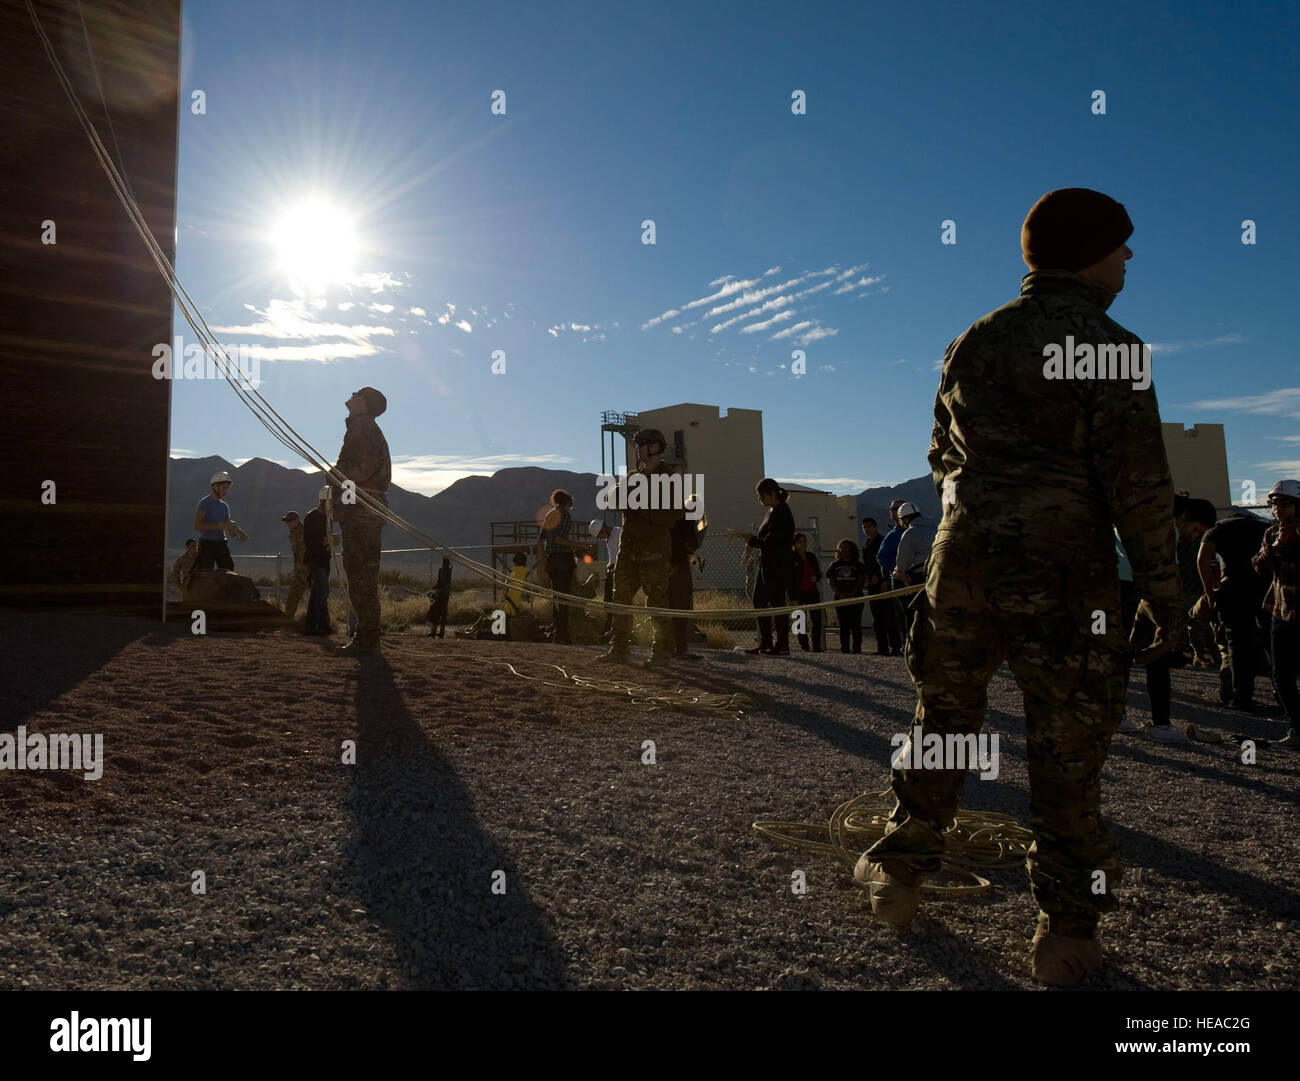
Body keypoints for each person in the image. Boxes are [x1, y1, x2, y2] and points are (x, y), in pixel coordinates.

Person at [856, 188, 1184, 988]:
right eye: (1122, 246)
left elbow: (942, 456)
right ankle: (1065, 932)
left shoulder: (974, 341)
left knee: (947, 720)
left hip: (961, 563)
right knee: (1067, 750)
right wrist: (1169, 597)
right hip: (1066, 575)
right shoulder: (1110, 348)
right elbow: (1137, 485)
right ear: (1086, 252)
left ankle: (900, 867)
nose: (1131, 259)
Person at [1127, 498, 1215, 742]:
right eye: (1196, 529)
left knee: (1129, 647)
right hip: (1141, 589)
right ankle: (1161, 725)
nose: (1194, 536)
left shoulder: (1149, 516)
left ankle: (1118, 715)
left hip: (1130, 585)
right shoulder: (1167, 529)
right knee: (1160, 652)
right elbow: (1165, 572)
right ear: (1185, 516)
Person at [600, 429, 683, 665]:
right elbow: (611, 498)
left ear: (654, 447)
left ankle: (661, 653)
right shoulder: (634, 476)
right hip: (629, 550)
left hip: (654, 551)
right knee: (620, 598)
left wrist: (636, 504)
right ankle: (619, 650)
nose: (637, 449)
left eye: (641, 444)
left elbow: (670, 516)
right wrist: (619, 496)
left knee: (656, 601)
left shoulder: (669, 478)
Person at [331, 387, 391, 657]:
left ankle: (366, 640)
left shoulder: (362, 427)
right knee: (364, 575)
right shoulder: (364, 427)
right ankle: (368, 637)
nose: (351, 395)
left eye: (356, 393)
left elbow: (363, 468)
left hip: (360, 511)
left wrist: (335, 475)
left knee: (360, 575)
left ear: (363, 402)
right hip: (365, 509)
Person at [1199, 504, 1270, 710]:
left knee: (1238, 644)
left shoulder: (1218, 529)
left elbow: (1203, 558)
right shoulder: (1263, 527)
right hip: (1263, 587)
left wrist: (1209, 592)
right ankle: (1283, 693)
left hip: (1233, 589)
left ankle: (1242, 696)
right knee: (1270, 641)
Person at [1252, 479, 1300, 748]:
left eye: (1285, 503)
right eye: (1274, 503)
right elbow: (1259, 566)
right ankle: (1297, 728)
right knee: (1281, 674)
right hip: (1281, 611)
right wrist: (1276, 547)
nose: (1277, 508)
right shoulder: (1271, 534)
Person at [737, 479, 796, 655]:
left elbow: (773, 541)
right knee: (759, 600)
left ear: (770, 494)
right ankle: (766, 642)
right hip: (767, 564)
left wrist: (751, 540)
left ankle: (782, 644)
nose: (759, 499)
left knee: (777, 603)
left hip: (777, 564)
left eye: (761, 496)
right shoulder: (772, 511)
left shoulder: (782, 512)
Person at [538, 490, 589, 645]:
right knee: (566, 598)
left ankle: (557, 633)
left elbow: (540, 541)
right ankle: (564, 636)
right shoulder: (565, 515)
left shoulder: (549, 515)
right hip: (563, 559)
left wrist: (544, 562)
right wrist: (580, 545)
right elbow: (559, 539)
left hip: (552, 560)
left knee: (557, 598)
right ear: (568, 502)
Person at [193, 471, 247, 572]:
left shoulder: (224, 506)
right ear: (215, 487)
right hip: (207, 544)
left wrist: (239, 532)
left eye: (227, 488)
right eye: (224, 488)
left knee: (229, 572)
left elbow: (227, 523)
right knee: (205, 575)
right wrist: (217, 526)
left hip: (221, 543)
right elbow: (197, 525)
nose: (225, 491)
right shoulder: (204, 503)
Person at [670, 514, 706, 658]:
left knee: (666, 607)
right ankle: (680, 647)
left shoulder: (661, 514)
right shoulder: (685, 517)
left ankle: (664, 646)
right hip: (679, 565)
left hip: (662, 566)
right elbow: (693, 543)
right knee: (681, 607)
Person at [873, 501, 907, 655]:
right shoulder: (893, 535)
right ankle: (905, 645)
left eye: (896, 509)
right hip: (900, 580)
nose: (893, 511)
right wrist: (897, 570)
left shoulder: (916, 530)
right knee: (902, 615)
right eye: (892, 509)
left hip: (920, 578)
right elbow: (882, 557)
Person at [825, 538, 867, 654]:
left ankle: (857, 648)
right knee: (844, 624)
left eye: (845, 547)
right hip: (840, 598)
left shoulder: (858, 565)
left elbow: (861, 581)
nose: (842, 550)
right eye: (840, 547)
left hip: (856, 598)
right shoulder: (834, 565)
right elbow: (831, 580)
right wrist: (839, 594)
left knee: (856, 624)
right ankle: (844, 648)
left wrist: (852, 594)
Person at [302, 487, 334, 636]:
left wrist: (332, 542)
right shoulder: (311, 517)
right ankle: (321, 624)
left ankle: (311, 625)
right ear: (324, 501)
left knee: (318, 592)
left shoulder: (328, 518)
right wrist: (325, 540)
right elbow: (308, 542)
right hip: (314, 560)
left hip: (324, 559)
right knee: (322, 591)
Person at [789, 532, 824, 652]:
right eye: (800, 541)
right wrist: (792, 596)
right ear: (794, 544)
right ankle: (804, 644)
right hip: (799, 593)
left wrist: (816, 577)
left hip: (812, 592)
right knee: (800, 620)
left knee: (817, 619)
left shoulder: (811, 556)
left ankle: (817, 644)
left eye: (804, 541)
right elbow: (790, 579)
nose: (803, 544)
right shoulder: (791, 558)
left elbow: (818, 573)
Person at [861, 518, 891, 655]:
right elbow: (868, 564)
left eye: (869, 526)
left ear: (875, 527)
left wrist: (883, 578)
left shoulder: (883, 541)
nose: (867, 529)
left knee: (889, 617)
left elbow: (886, 561)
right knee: (877, 618)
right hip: (872, 585)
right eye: (864, 527)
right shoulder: (866, 545)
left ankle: (895, 646)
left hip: (884, 583)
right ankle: (882, 647)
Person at [892, 502, 935, 588]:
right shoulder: (935, 528)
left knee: (896, 579)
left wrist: (897, 572)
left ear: (905, 519)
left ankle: (910, 601)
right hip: (940, 569)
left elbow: (902, 563)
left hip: (923, 575)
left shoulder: (909, 533)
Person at [281, 510, 309, 620]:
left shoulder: (305, 532)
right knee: (293, 596)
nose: (288, 524)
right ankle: (287, 621)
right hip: (300, 570)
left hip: (308, 570)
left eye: (290, 521)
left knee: (316, 598)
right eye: (287, 521)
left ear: (297, 521)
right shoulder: (293, 535)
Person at [427, 557, 452, 638]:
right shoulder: (444, 577)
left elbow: (442, 585)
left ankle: (439, 632)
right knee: (437, 614)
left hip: (443, 597)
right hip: (441, 597)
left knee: (441, 615)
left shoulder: (446, 580)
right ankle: (435, 632)